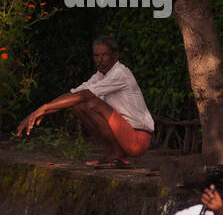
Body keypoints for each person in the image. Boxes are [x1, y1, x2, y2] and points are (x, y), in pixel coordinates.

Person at [16, 36, 154, 168]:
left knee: (92, 103)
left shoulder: (120, 73)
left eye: (104, 55)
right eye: (96, 56)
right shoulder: (100, 76)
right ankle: (114, 154)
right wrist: (42, 110)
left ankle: (118, 155)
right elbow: (72, 96)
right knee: (78, 106)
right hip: (123, 135)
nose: (100, 60)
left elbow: (86, 95)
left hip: (137, 139)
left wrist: (45, 108)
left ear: (115, 56)